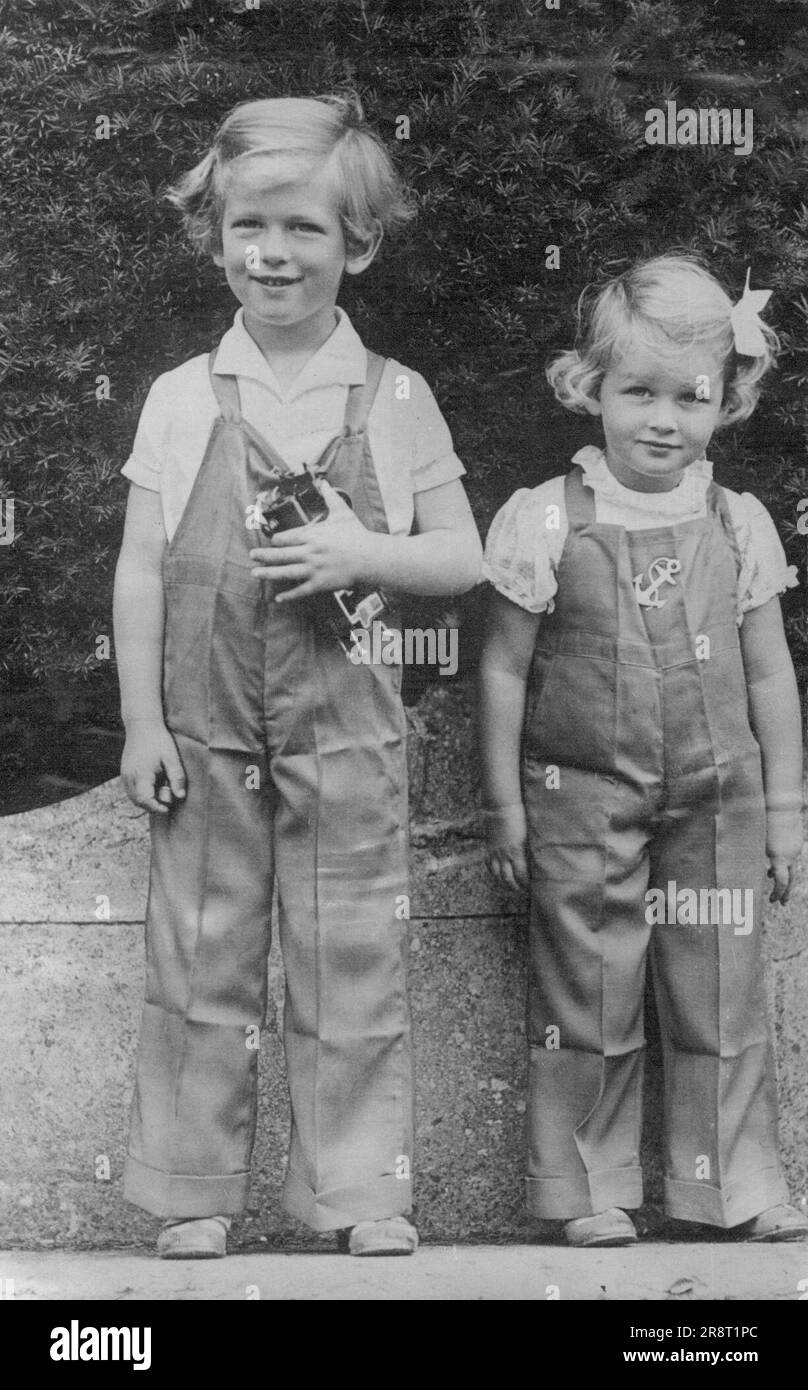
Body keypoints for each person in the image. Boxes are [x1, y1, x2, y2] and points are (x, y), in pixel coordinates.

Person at [113, 94, 482, 1259]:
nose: (272, 253)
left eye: (303, 230)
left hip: (344, 723)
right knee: (199, 950)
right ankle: (191, 1193)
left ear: (357, 245)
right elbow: (138, 571)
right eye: (249, 226)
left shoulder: (395, 395)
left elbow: (463, 555)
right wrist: (141, 725)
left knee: (350, 953)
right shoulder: (180, 397)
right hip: (205, 724)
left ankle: (359, 1192)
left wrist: (364, 551)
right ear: (215, 233)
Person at [478, 254, 807, 1247]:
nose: (662, 419)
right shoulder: (545, 518)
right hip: (579, 794)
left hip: (716, 796)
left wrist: (785, 808)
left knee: (722, 987)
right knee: (591, 985)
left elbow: (766, 677)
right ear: (592, 389)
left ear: (725, 401)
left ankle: (733, 1182)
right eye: (638, 392)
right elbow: (498, 672)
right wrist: (506, 804)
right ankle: (588, 1186)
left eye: (690, 397)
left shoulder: (733, 521)